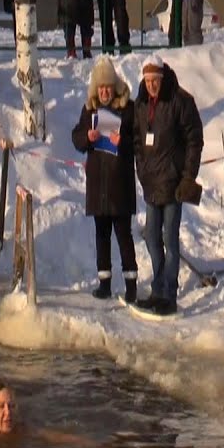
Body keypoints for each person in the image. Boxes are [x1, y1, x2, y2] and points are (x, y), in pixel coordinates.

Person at [132, 55, 204, 317]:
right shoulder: (141, 104)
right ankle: (158, 287)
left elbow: (195, 140)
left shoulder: (180, 101)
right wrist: (141, 167)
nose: (152, 85)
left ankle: (168, 295)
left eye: (155, 80)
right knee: (152, 237)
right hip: (152, 184)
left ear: (162, 79)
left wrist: (187, 176)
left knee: (169, 239)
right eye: (148, 80)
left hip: (173, 184)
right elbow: (137, 139)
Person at [71, 56, 138, 303]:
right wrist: (87, 137)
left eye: (108, 87)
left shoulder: (128, 109)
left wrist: (125, 143)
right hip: (98, 185)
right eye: (101, 88)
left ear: (115, 86)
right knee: (102, 235)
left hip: (120, 185)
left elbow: (138, 144)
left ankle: (131, 285)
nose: (105, 92)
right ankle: (104, 283)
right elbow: (76, 138)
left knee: (123, 235)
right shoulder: (89, 110)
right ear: (96, 90)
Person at [0, 379, 94, 448]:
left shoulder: (22, 429)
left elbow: (55, 437)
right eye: (1, 406)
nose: (8, 412)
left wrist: (90, 444)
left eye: (11, 406)